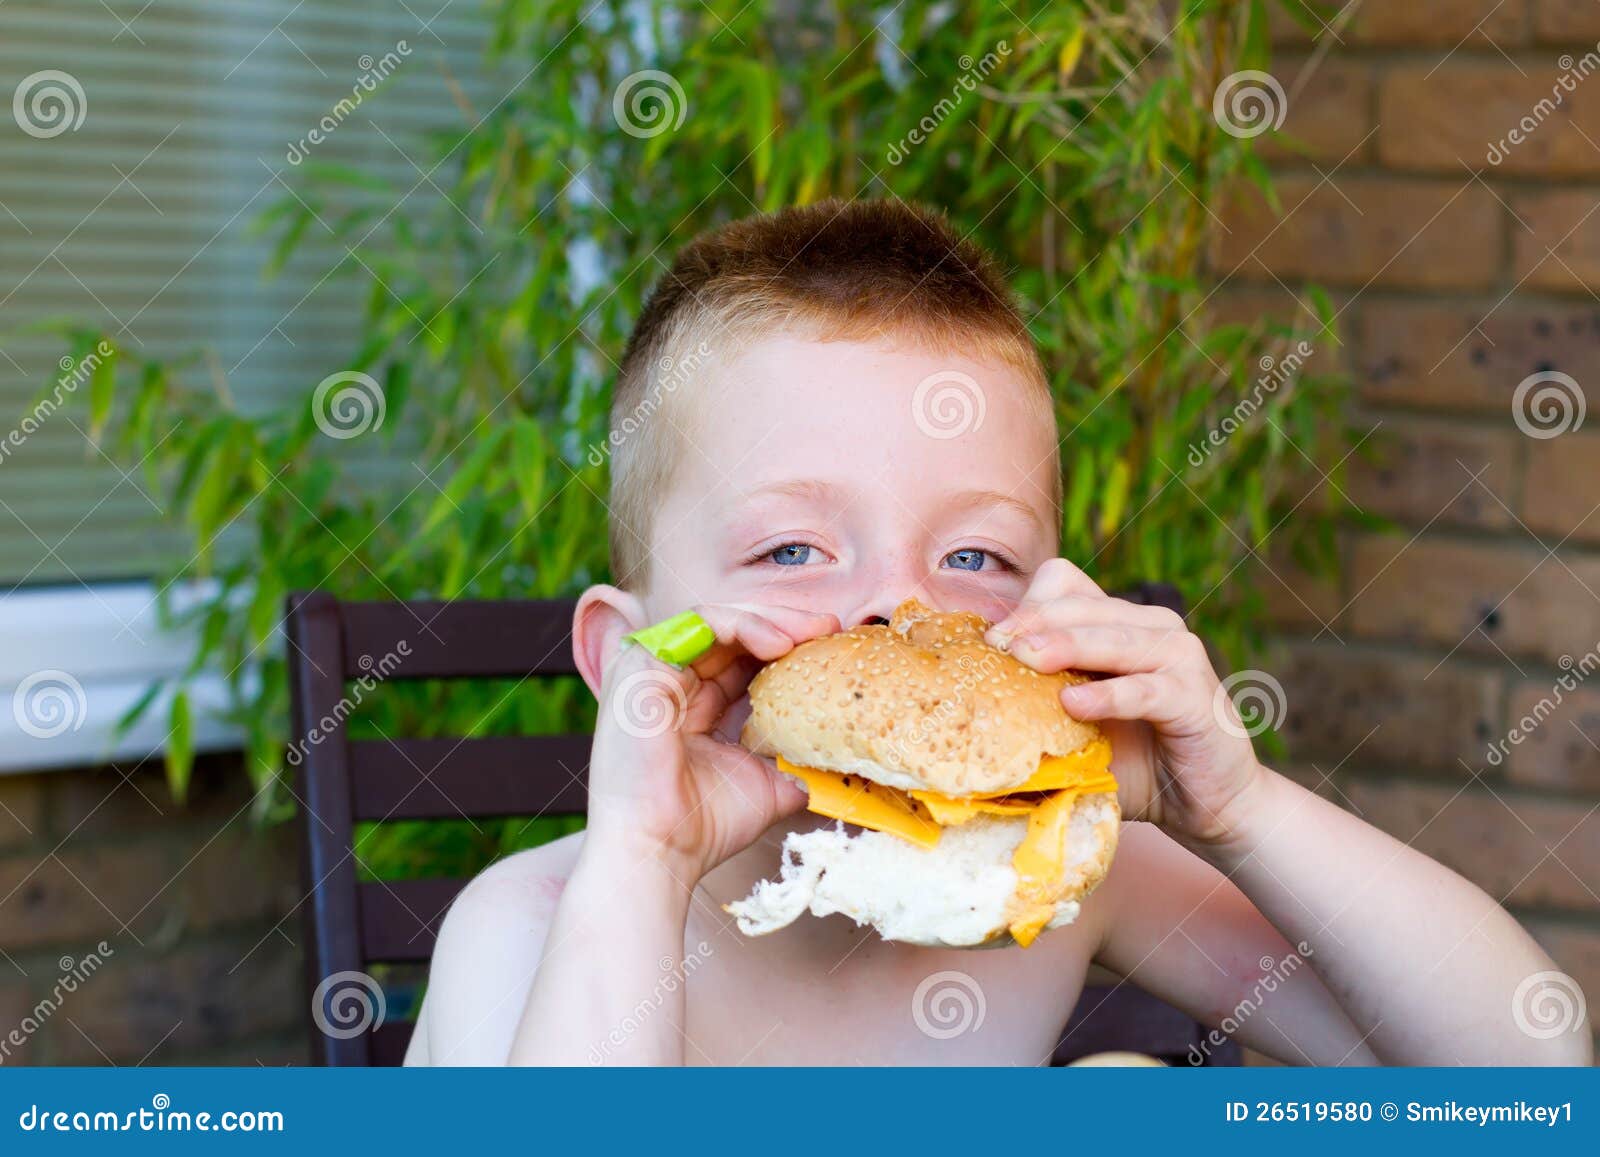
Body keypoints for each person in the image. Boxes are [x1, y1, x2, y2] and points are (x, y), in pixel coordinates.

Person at [406, 200, 1590, 1066]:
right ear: (628, 657)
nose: (896, 613)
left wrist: (1238, 809)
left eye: (971, 557)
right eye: (792, 549)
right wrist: (641, 859)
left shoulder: (1061, 882)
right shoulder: (536, 924)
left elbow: (1525, 1074)